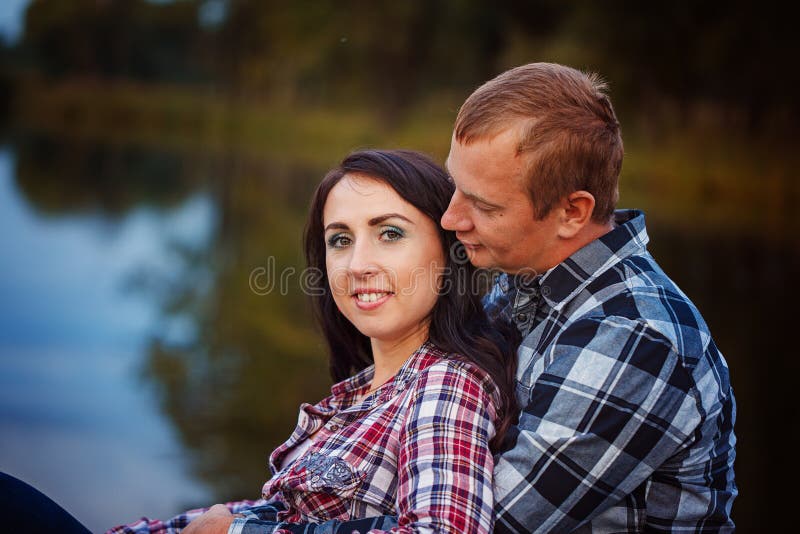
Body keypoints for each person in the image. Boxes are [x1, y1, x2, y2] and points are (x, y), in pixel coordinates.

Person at [254, 63, 739, 533]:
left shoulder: (635, 336)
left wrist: (246, 528)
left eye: (482, 204)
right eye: (456, 188)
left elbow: (482, 521)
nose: (450, 219)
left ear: (572, 212)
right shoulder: (520, 279)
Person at [104, 149, 518, 533]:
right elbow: (282, 511)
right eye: (340, 240)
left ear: (449, 252)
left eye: (390, 233)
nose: (357, 265)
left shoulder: (445, 384)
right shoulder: (367, 391)